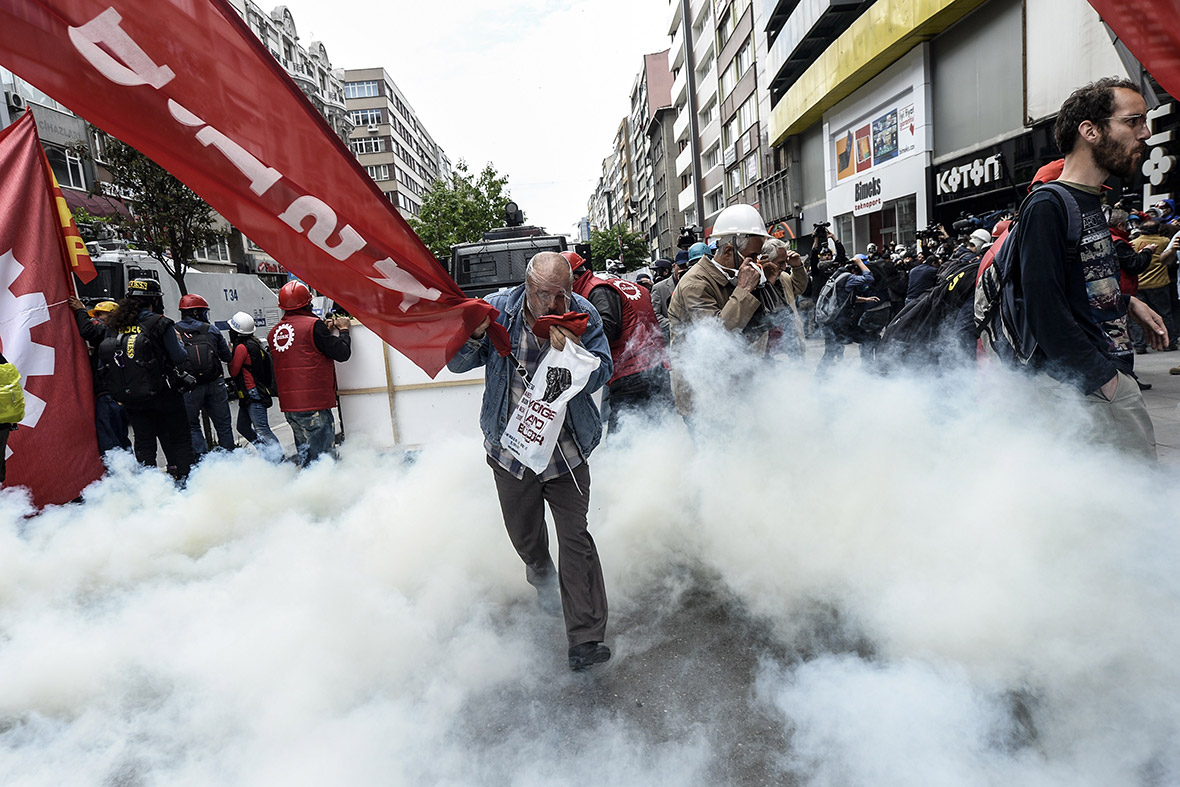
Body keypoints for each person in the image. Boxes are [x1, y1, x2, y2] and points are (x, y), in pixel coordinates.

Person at [446, 252, 614, 671]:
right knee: (528, 540)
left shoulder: (583, 312)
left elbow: (603, 370)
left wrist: (575, 357)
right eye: (545, 295)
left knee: (575, 538)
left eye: (563, 294)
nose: (556, 305)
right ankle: (541, 576)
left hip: (566, 452)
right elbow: (456, 362)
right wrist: (475, 334)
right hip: (512, 451)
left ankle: (586, 639)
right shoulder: (498, 309)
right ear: (527, 287)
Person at [1017, 77, 1168, 460]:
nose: (1145, 133)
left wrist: (1128, 301)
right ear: (1090, 131)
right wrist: (1103, 380)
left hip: (1104, 378)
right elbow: (1043, 308)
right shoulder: (1047, 206)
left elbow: (1080, 278)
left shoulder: (1090, 203)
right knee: (1135, 500)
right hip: (1087, 389)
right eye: (1133, 121)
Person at [667, 204, 769, 415]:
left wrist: (767, 283)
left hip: (731, 386)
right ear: (729, 250)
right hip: (703, 393)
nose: (756, 263)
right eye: (752, 255)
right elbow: (716, 336)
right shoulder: (696, 283)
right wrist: (742, 289)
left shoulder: (731, 274)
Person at [98, 278, 195, 481]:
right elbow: (178, 357)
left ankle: (149, 488)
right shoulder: (160, 322)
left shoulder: (116, 325)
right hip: (164, 394)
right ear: (153, 300)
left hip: (132, 397)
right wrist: (181, 344)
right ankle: (186, 482)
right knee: (180, 438)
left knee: (143, 443)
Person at [564, 250, 670, 431]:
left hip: (631, 371)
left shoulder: (595, 290)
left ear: (573, 277)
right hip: (650, 365)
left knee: (621, 441)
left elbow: (608, 328)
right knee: (653, 430)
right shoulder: (614, 285)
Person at [267, 280, 351, 466]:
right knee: (324, 460)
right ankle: (326, 492)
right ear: (308, 303)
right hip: (314, 404)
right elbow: (342, 354)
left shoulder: (274, 333)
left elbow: (303, 349)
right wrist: (344, 330)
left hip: (290, 407)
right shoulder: (314, 326)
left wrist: (324, 334)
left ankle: (309, 491)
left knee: (306, 457)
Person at [68, 297, 131, 453]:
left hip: (109, 394)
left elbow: (87, 330)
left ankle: (118, 474)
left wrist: (81, 311)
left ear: (113, 316)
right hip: (120, 394)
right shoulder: (121, 337)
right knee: (121, 437)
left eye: (100, 315)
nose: (96, 319)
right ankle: (130, 473)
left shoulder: (108, 332)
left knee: (110, 440)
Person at [176, 293, 236, 456]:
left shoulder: (175, 331)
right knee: (223, 425)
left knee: (192, 425)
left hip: (189, 386)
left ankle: (203, 464)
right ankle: (230, 462)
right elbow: (227, 357)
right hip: (215, 383)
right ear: (197, 312)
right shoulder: (211, 330)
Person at [227, 311, 281, 460]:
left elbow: (234, 370)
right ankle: (267, 453)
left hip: (252, 393)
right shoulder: (255, 343)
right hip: (253, 393)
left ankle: (278, 459)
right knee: (243, 427)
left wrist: (230, 355)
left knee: (262, 429)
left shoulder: (241, 348)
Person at [1131, 220, 1179, 353]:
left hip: (1140, 284)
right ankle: (1169, 343)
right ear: (1158, 230)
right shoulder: (1164, 241)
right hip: (1159, 284)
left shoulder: (1134, 243)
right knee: (1165, 313)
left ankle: (1140, 345)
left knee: (1138, 315)